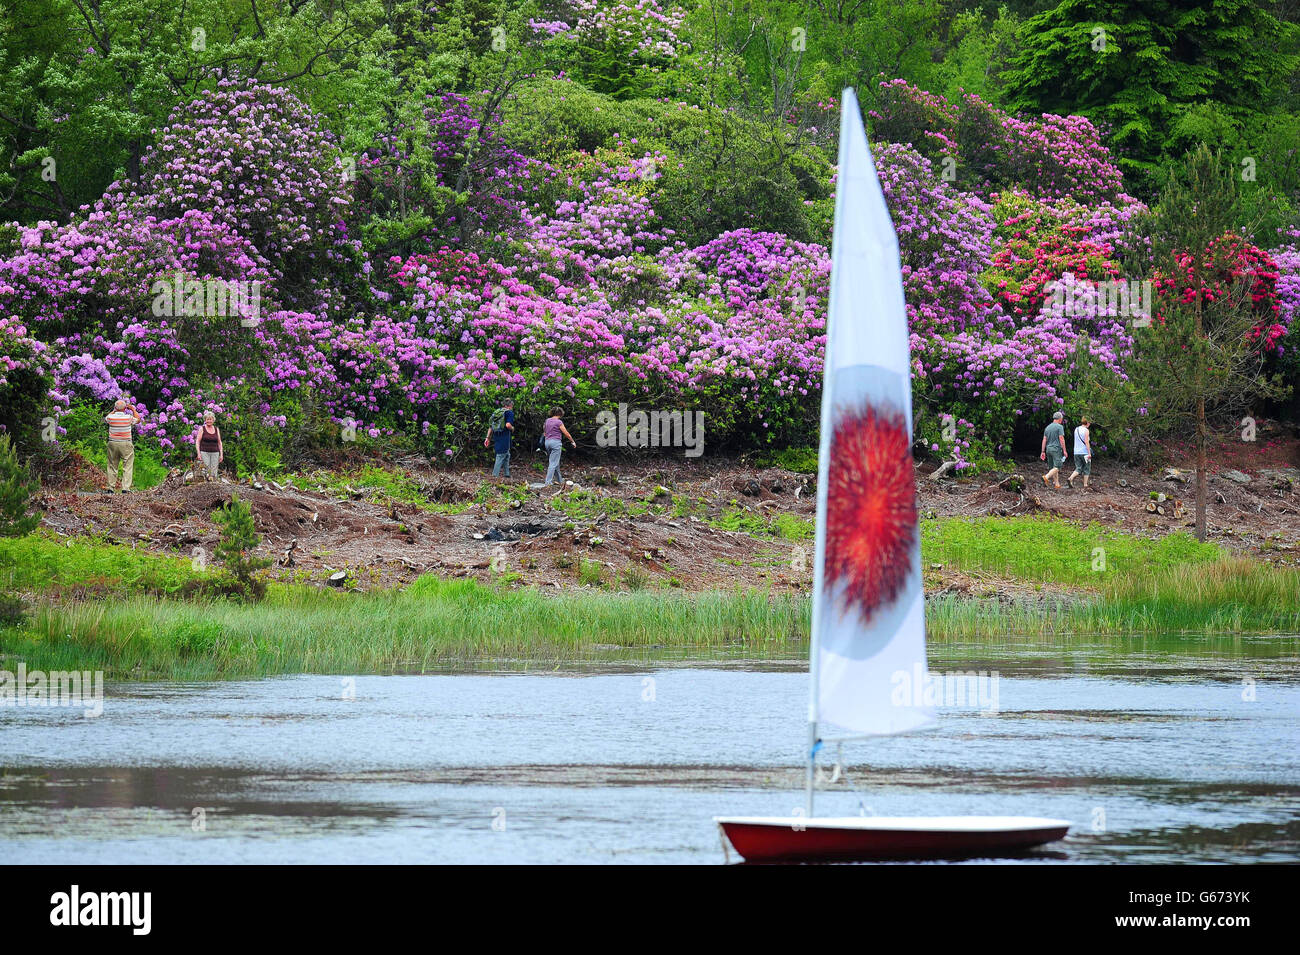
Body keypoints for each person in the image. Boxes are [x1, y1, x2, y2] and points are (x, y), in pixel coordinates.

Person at [104, 398, 141, 493]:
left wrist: (114, 410)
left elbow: (107, 416)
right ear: (125, 409)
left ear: (115, 408)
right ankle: (125, 488)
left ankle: (111, 488)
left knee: (112, 465)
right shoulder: (128, 417)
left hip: (113, 442)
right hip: (126, 443)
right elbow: (138, 420)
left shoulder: (111, 418)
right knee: (127, 465)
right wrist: (133, 409)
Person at [542, 407, 577, 486]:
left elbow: (544, 431)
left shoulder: (547, 420)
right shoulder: (559, 422)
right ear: (560, 414)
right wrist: (573, 441)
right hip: (556, 443)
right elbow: (566, 433)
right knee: (553, 463)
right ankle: (548, 482)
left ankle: (560, 481)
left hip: (547, 442)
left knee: (555, 462)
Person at [484, 399, 515, 478]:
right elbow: (508, 425)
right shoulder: (509, 412)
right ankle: (494, 476)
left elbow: (491, 426)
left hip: (496, 436)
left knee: (507, 454)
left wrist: (487, 438)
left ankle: (507, 474)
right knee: (500, 455)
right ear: (510, 405)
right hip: (505, 437)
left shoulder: (497, 412)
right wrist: (512, 428)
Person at [1039, 410, 1067, 490]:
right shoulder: (1060, 427)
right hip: (1056, 449)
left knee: (1053, 468)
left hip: (1048, 449)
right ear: (1060, 419)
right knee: (1058, 466)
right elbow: (1061, 439)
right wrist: (1064, 450)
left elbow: (1044, 439)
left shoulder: (1047, 427)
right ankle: (1046, 477)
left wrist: (1042, 451)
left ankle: (1057, 484)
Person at [193, 411, 224, 481]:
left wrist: (221, 454)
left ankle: (214, 487)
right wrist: (198, 453)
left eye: (210, 419)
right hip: (204, 452)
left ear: (213, 420)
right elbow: (197, 441)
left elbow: (219, 442)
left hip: (215, 453)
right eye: (207, 419)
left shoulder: (216, 429)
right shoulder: (202, 429)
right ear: (205, 420)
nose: (209, 421)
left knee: (214, 472)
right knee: (206, 471)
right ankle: (205, 487)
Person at [1068, 416, 1092, 489]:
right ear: (1087, 422)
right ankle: (1085, 484)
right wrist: (1089, 453)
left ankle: (1071, 478)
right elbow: (1086, 442)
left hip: (1076, 452)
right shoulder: (1086, 430)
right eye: (1090, 422)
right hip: (1084, 452)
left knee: (1078, 468)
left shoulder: (1076, 429)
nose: (1090, 424)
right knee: (1087, 468)